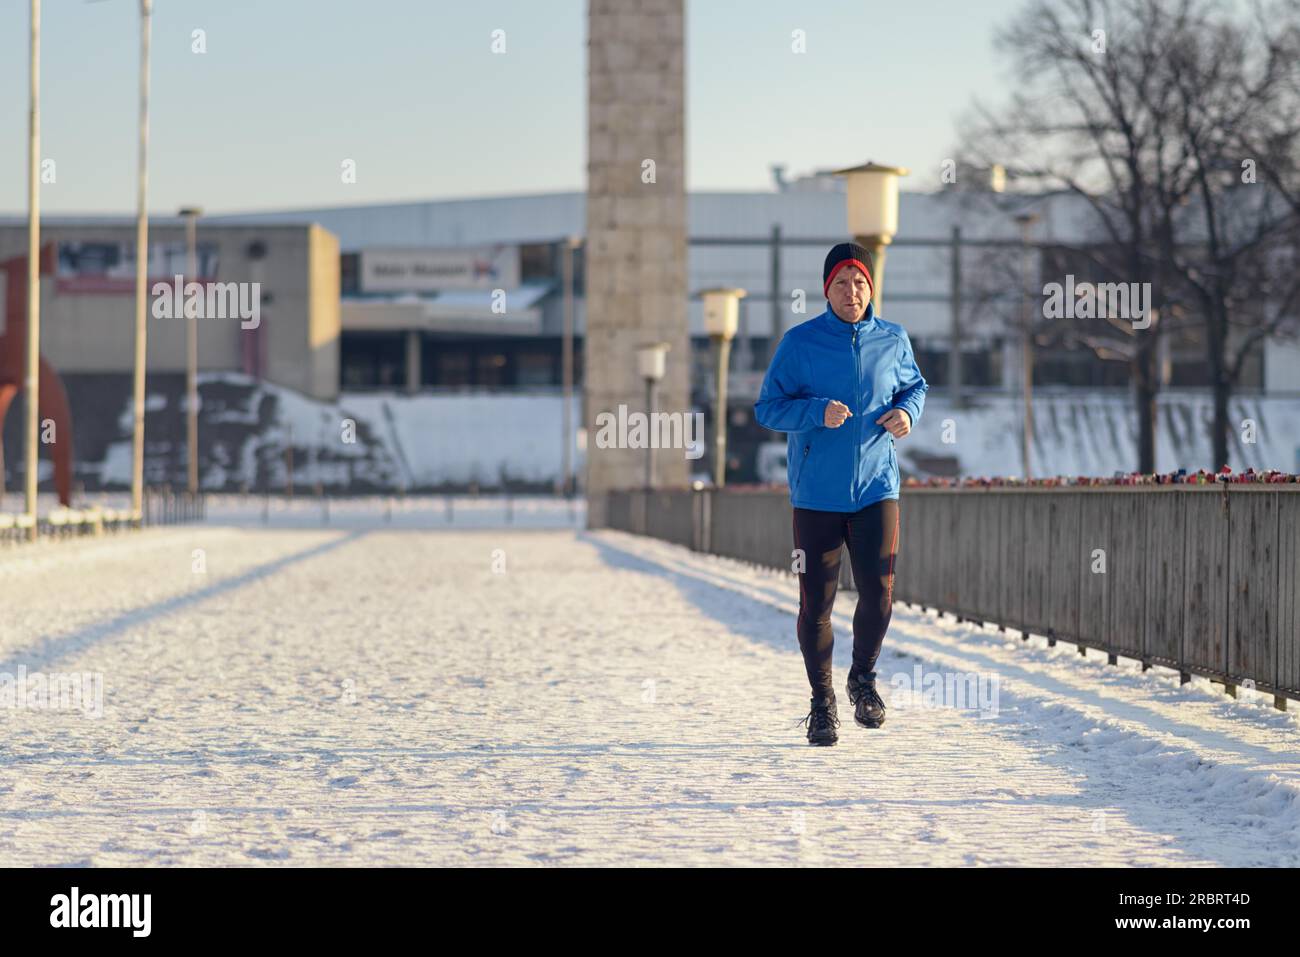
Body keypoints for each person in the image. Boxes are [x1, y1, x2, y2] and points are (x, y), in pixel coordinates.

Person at [754, 242, 928, 745]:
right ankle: (822, 703)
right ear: (825, 289)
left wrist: (907, 414)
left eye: (860, 282)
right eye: (841, 283)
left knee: (880, 592)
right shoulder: (800, 343)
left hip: (878, 488)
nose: (851, 291)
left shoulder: (893, 339)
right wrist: (814, 411)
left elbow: (914, 386)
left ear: (871, 288)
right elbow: (768, 408)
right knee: (818, 603)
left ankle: (863, 680)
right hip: (817, 497)